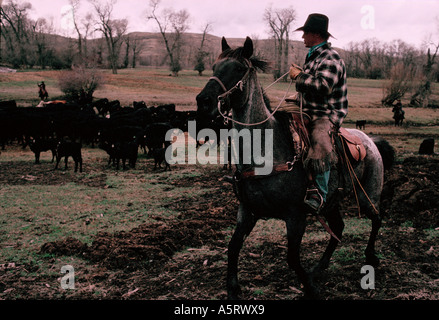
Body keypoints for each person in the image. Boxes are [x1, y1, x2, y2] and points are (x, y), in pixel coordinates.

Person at [289, 13, 348, 213]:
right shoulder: (314, 55)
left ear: (316, 34)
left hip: (326, 114)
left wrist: (300, 76)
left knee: (319, 139)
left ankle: (319, 193)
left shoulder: (331, 58)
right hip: (307, 109)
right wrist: (301, 76)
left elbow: (324, 86)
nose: (302, 37)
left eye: (305, 33)